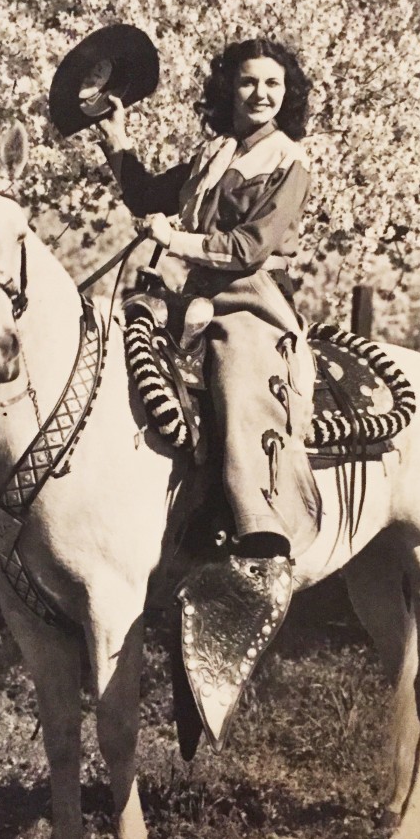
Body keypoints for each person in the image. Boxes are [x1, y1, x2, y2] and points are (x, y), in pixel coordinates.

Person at [96, 37, 321, 568]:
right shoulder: (213, 153)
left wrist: (173, 240)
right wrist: (117, 141)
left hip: (254, 297)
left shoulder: (289, 160)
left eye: (273, 83)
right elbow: (150, 197)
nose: (261, 93)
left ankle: (258, 526)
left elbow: (249, 249)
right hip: (198, 289)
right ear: (229, 89)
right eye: (248, 82)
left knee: (236, 371)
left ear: (286, 93)